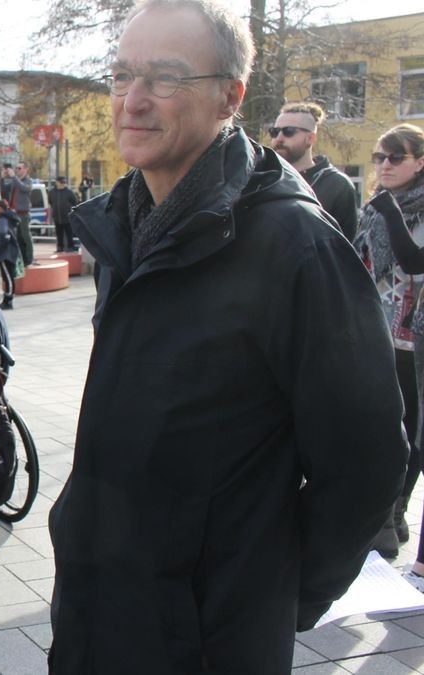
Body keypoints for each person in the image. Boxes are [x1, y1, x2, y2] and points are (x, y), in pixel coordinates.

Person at [50, 1, 408, 671]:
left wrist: (274, 591)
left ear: (229, 97)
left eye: (164, 78)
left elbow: (366, 459)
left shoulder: (294, 244)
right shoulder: (126, 226)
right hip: (100, 610)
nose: (133, 99)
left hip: (209, 638)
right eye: (122, 74)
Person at [352, 123, 424, 567]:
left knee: (414, 431)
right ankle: (386, 513)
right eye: (379, 157)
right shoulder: (377, 208)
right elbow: (364, 257)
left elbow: (414, 260)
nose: (384, 165)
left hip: (417, 334)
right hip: (382, 327)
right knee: (386, 423)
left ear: (420, 162)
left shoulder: (398, 207)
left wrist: (389, 209)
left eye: (395, 158)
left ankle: (396, 510)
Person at [270, 101, 359, 241]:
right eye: (274, 132)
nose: (279, 138)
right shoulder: (266, 179)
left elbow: (346, 245)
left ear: (310, 138)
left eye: (289, 131)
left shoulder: (337, 185)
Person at [0, 163, 34, 265]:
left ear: (25, 169)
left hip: (23, 213)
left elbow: (24, 188)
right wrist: (2, 179)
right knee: (17, 238)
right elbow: (4, 191)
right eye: (16, 168)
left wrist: (14, 177)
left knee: (25, 236)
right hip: (14, 214)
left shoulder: (28, 181)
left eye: (19, 168)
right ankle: (22, 259)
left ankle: (29, 259)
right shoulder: (15, 181)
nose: (17, 170)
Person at [0, 199, 21, 309]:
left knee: (7, 277)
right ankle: (7, 299)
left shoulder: (3, 220)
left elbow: (3, 234)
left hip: (5, 254)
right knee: (8, 276)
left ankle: (8, 300)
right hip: (8, 252)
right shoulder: (8, 219)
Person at [47, 176, 79, 251]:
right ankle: (60, 247)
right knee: (59, 234)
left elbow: (75, 202)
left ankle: (71, 247)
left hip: (67, 217)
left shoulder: (69, 192)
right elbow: (51, 202)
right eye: (61, 183)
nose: (62, 185)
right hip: (57, 217)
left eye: (63, 183)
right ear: (57, 183)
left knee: (69, 233)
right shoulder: (52, 192)